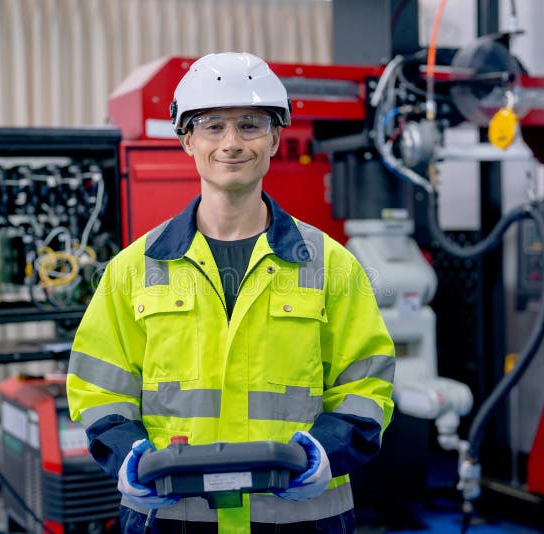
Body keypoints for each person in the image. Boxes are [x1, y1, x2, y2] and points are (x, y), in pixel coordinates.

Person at [67, 52, 395, 534]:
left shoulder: (332, 266)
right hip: (172, 517)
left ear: (276, 137)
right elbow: (99, 389)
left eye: (250, 125)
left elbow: (365, 386)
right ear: (186, 139)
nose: (232, 143)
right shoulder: (133, 269)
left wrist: (324, 452)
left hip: (299, 518)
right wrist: (125, 455)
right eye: (212, 126)